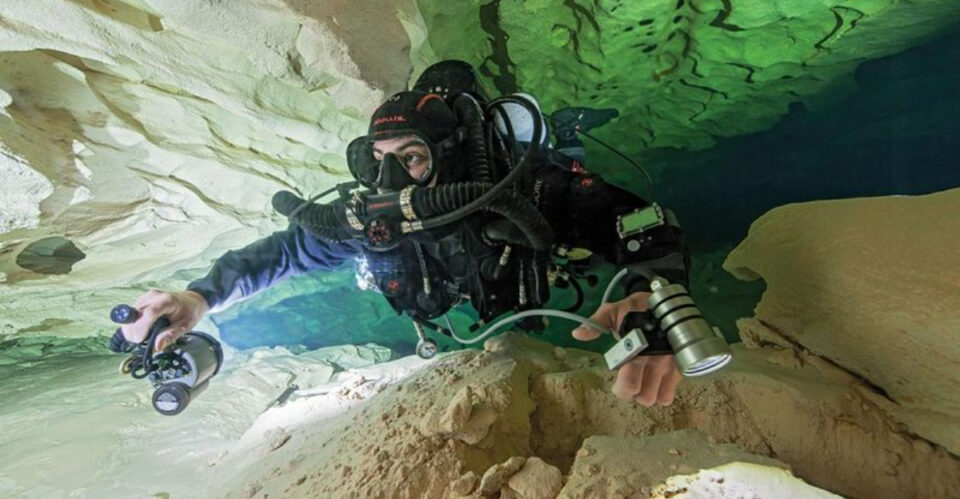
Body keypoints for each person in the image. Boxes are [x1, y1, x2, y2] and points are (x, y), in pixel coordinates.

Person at [120, 62, 687, 407]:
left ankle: (564, 129)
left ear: (447, 154)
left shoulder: (531, 190)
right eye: (380, 161)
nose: (391, 179)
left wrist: (653, 296)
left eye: (411, 158)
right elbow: (287, 251)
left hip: (534, 226)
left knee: (566, 156)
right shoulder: (371, 217)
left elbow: (642, 224)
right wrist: (200, 296)